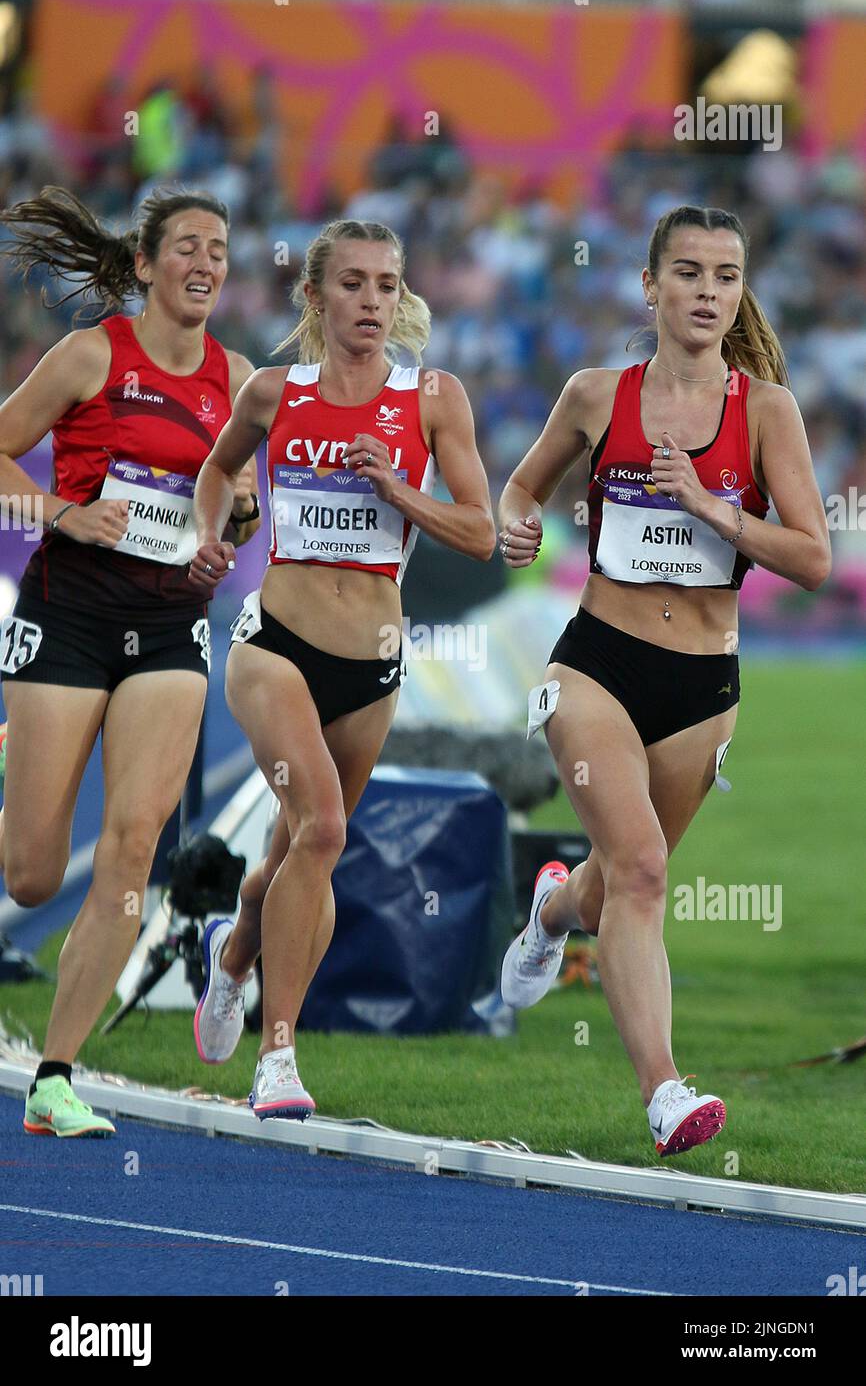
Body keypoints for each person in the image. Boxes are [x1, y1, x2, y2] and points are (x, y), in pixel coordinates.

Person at [498, 205, 830, 1157]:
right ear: (650, 286)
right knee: (643, 871)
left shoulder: (767, 410)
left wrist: (715, 511)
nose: (708, 293)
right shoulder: (597, 395)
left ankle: (552, 910)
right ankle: (664, 1094)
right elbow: (522, 490)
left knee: (615, 888)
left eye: (726, 277)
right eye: (688, 273)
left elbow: (810, 557)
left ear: (740, 292)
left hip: (702, 687)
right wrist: (518, 524)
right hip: (598, 660)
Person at [190, 218, 495, 1118]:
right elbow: (217, 474)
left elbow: (481, 534)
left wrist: (400, 490)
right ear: (316, 296)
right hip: (273, 646)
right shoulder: (271, 392)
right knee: (323, 830)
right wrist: (214, 534)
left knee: (293, 853)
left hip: (372, 668)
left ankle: (235, 953)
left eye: (387, 286)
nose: (372, 301)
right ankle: (278, 1056)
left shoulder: (434, 398)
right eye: (354, 284)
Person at [0, 185, 260, 1137]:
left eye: (221, 250)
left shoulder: (237, 377)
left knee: (134, 844)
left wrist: (226, 527)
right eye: (187, 247)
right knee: (30, 873)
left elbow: (236, 501)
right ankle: (14, 750)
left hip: (170, 627)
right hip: (68, 616)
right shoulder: (92, 353)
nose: (206, 264)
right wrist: (63, 513)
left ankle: (54, 1076)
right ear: (147, 265)